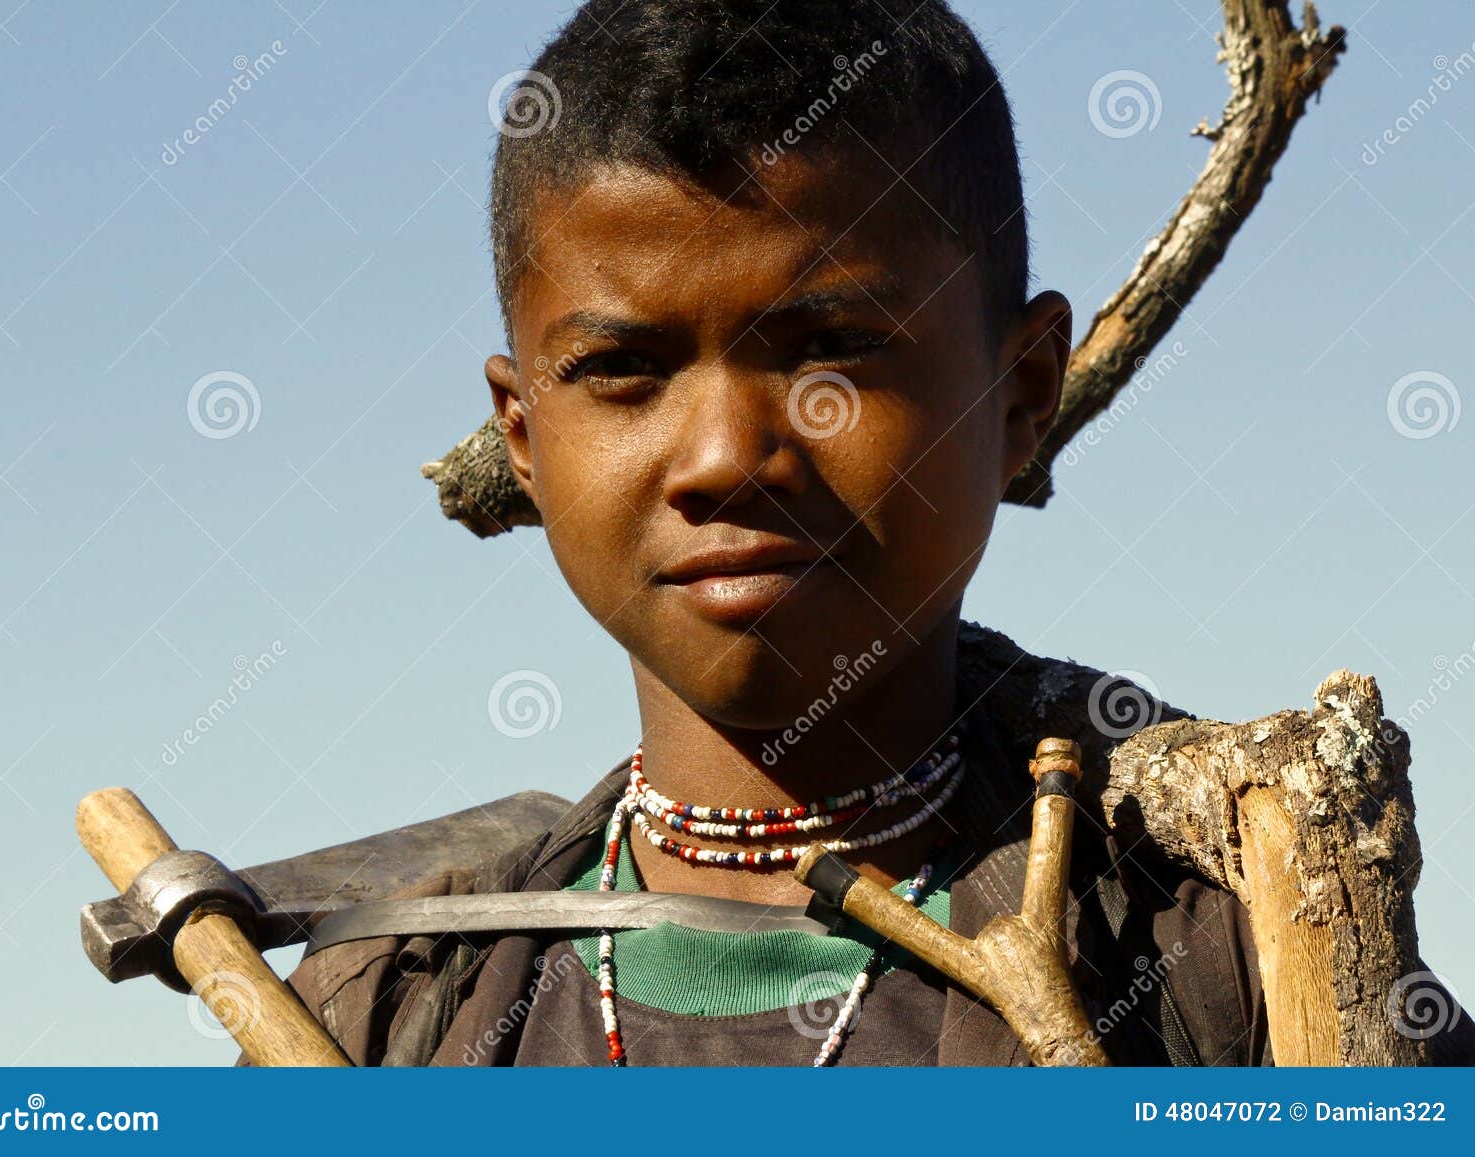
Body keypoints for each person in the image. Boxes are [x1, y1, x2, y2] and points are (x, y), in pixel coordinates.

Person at [253, 0, 1470, 1067]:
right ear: (522, 437)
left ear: (1022, 393)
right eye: (622, 367)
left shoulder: (1239, 958)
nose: (725, 456)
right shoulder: (392, 1016)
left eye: (833, 349)